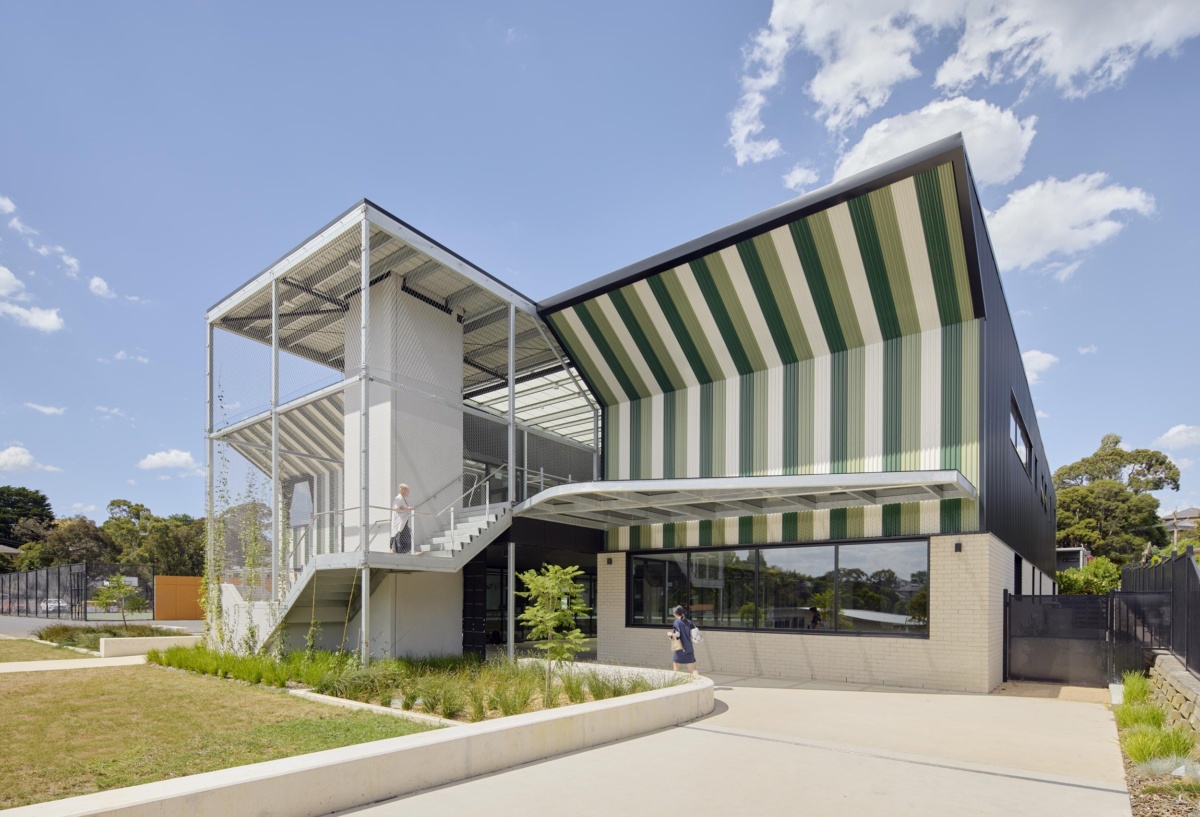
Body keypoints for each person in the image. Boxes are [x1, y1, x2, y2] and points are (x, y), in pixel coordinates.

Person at [669, 605, 699, 676]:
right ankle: (698, 680)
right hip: (689, 647)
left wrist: (670, 634)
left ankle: (675, 680)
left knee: (676, 665)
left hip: (680, 647)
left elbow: (677, 635)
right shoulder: (688, 622)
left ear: (676, 613)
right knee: (692, 668)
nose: (673, 614)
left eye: (673, 612)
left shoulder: (677, 622)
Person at [391, 483, 415, 554]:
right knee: (403, 538)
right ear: (403, 491)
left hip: (404, 521)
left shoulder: (402, 499)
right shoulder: (398, 499)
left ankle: (400, 552)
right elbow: (397, 509)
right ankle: (397, 551)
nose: (408, 493)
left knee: (406, 538)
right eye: (407, 491)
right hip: (400, 521)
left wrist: (407, 509)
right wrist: (407, 508)